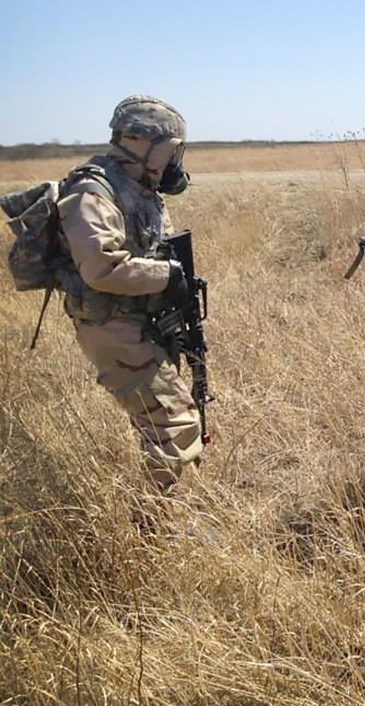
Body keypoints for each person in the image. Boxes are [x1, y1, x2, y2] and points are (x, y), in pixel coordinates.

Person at [56, 94, 202, 491]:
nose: (175, 163)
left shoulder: (138, 187)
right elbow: (100, 267)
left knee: (162, 419)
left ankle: (159, 510)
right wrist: (166, 276)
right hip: (110, 323)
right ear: (144, 144)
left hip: (137, 318)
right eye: (172, 151)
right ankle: (151, 526)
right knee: (174, 423)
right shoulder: (93, 190)